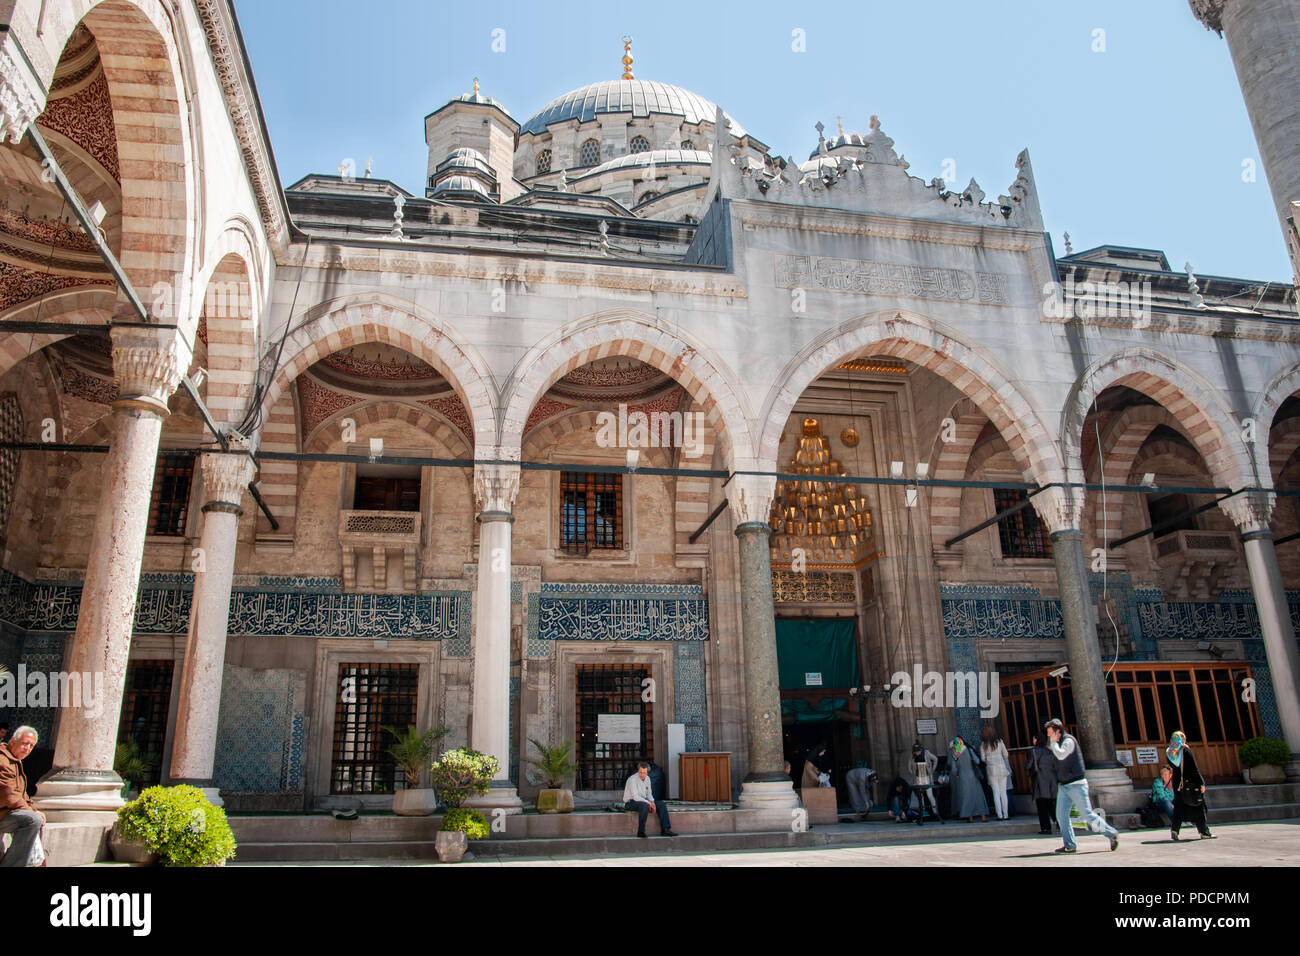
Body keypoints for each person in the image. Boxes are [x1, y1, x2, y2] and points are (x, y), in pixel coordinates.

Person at [1044, 718, 1118, 853]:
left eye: (1050, 733)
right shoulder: (1057, 742)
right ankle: (1069, 845)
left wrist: (1053, 744)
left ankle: (1111, 833)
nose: (1048, 736)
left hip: (1077, 784)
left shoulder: (1069, 741)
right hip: (1064, 785)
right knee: (1061, 816)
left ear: (1058, 731)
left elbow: (1061, 755)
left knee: (1087, 815)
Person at [0, 726, 45, 867]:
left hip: (4, 814)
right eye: (25, 743)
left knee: (35, 817)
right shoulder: (3, 761)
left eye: (31, 746)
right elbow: (10, 796)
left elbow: (22, 794)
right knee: (31, 820)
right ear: (13, 741)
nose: (27, 749)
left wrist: (34, 808)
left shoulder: (14, 761)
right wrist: (33, 813)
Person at [1167, 731, 1213, 840]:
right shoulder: (1185, 750)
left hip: (1178, 784)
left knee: (1179, 808)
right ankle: (1204, 832)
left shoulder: (1170, 752)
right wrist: (1201, 783)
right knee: (1199, 807)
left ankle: (1175, 830)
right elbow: (1194, 769)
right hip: (1191, 784)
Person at [623, 761, 677, 838]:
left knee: (661, 804)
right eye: (640, 772)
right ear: (638, 771)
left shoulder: (648, 779)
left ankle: (665, 829)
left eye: (644, 772)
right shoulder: (632, 779)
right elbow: (635, 797)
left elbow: (649, 793)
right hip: (630, 803)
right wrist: (649, 803)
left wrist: (652, 802)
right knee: (644, 806)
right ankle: (641, 831)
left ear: (647, 772)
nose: (642, 774)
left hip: (643, 801)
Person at [948, 736, 989, 822]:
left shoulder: (955, 754)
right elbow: (977, 761)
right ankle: (983, 816)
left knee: (967, 796)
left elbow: (954, 769)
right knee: (979, 796)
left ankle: (970, 817)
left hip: (963, 777)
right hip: (973, 776)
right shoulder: (969, 750)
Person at [1026, 733, 1059, 834]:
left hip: (1040, 780)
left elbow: (1029, 765)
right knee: (1051, 804)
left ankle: (1046, 827)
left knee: (1042, 806)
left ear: (1036, 740)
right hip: (1051, 780)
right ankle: (1059, 821)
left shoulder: (1033, 751)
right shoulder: (1049, 751)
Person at [902, 741, 943, 822]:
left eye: (918, 751)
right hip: (918, 776)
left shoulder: (926, 753)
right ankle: (923, 812)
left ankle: (935, 812)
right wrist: (910, 769)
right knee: (920, 796)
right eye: (916, 752)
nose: (917, 753)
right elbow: (910, 761)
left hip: (927, 776)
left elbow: (935, 759)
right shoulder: (913, 755)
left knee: (930, 795)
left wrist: (932, 770)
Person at [980, 726, 1012, 820]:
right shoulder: (1000, 742)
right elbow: (1006, 754)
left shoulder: (983, 744)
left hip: (991, 770)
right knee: (1003, 793)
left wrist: (989, 760)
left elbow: (982, 758)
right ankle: (1006, 815)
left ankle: (999, 815)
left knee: (996, 793)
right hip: (1002, 769)